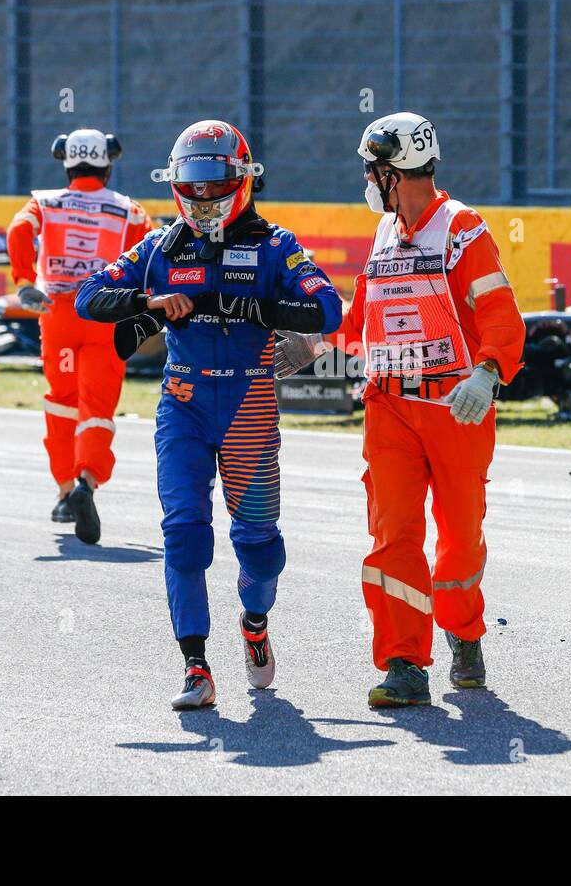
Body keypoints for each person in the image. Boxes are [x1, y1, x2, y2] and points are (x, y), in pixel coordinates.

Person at [75, 120, 342, 710]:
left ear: (242, 178)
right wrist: (149, 301)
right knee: (185, 537)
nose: (201, 196)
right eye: (190, 185)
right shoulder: (161, 246)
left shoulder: (277, 246)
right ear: (175, 184)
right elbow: (87, 297)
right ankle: (195, 667)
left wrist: (247, 305)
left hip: (249, 406)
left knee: (260, 545)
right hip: (183, 407)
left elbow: (327, 310)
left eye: (214, 182)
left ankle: (253, 622)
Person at [276, 112, 523, 707]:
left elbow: (499, 312)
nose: (366, 180)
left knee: (459, 541)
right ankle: (405, 662)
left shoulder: (462, 229)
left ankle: (464, 634)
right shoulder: (385, 234)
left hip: (455, 408)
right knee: (393, 535)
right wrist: (314, 344)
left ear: (392, 172)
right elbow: (363, 317)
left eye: (370, 169)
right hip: (389, 406)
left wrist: (487, 374)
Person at [7, 128, 151, 544]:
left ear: (66, 162)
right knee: (97, 406)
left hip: (57, 315)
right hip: (105, 315)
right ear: (108, 162)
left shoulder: (44, 203)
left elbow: (19, 230)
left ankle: (65, 490)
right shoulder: (130, 209)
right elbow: (150, 252)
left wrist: (22, 280)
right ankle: (87, 481)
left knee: (62, 402)